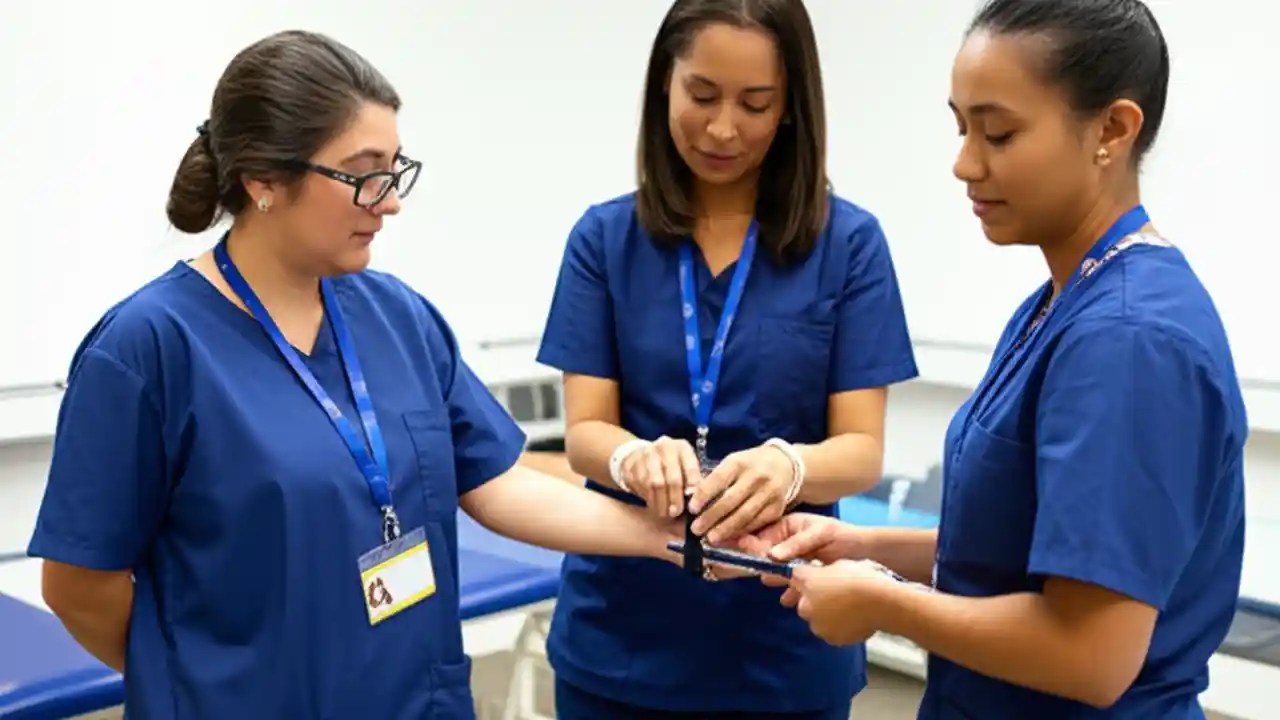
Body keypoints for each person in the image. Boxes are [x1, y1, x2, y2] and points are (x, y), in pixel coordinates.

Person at [27, 30, 683, 719]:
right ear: (262, 180)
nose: (390, 201)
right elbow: (79, 585)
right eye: (364, 174)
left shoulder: (397, 317)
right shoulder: (147, 349)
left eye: (395, 171)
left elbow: (494, 481)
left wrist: (667, 538)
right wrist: (208, 683)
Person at [739, 1, 1249, 718]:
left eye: (999, 132)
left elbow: (1091, 653)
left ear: (1112, 129)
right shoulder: (1066, 300)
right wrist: (857, 542)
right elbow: (1023, 545)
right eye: (961, 126)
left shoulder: (1130, 342)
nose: (964, 162)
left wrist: (887, 603)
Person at [534, 0, 919, 716]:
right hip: (620, 641)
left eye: (755, 103)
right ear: (664, 87)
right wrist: (630, 459)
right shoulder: (603, 239)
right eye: (702, 95)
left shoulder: (850, 246)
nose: (722, 128)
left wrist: (791, 465)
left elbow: (861, 450)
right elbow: (587, 432)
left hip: (784, 638)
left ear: (792, 109)